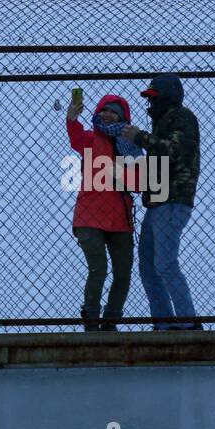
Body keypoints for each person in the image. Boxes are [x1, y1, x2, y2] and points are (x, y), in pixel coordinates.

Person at [121, 74, 202, 330]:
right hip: (157, 201)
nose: (149, 103)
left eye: (154, 98)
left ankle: (189, 325)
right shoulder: (163, 121)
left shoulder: (182, 117)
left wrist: (140, 138)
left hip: (173, 200)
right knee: (148, 266)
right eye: (148, 98)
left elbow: (174, 149)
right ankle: (164, 324)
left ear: (167, 97)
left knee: (165, 263)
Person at [65, 93, 142, 331]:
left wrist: (116, 174)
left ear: (123, 118)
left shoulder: (131, 147)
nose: (107, 115)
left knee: (123, 272)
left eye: (113, 112)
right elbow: (76, 138)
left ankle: (111, 321)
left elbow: (139, 182)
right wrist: (71, 120)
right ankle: (91, 318)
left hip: (120, 218)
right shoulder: (91, 139)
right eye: (104, 111)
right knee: (98, 267)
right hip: (90, 216)